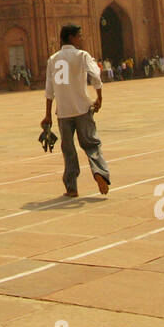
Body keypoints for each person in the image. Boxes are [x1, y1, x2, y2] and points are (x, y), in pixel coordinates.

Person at [42, 24, 112, 197]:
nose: (82, 39)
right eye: (79, 36)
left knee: (68, 150)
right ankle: (99, 172)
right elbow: (95, 75)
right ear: (72, 37)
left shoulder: (54, 59)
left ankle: (71, 187)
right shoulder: (82, 55)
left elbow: (50, 90)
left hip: (64, 112)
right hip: (82, 108)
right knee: (91, 144)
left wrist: (48, 115)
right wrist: (100, 97)